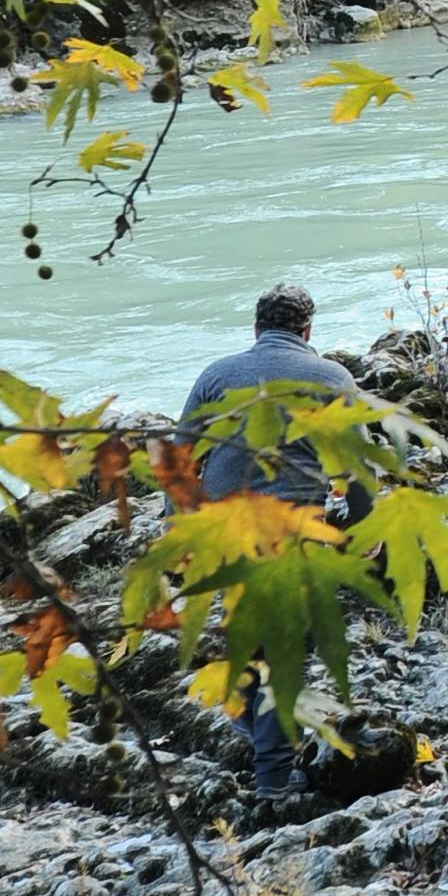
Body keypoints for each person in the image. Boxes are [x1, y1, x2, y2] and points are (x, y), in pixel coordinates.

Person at [177, 281, 362, 815]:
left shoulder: (217, 375)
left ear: (256, 330)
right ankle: (273, 782)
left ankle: (265, 740)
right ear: (308, 331)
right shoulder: (333, 377)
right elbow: (355, 470)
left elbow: (177, 460)